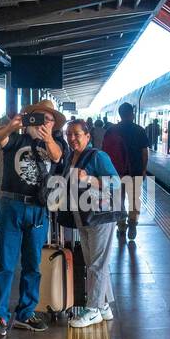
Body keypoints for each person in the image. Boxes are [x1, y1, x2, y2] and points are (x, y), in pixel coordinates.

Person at [0, 100, 65, 336]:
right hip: (12, 206)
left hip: (38, 209)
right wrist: (12, 126)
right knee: (5, 264)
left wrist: (48, 137)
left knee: (33, 265)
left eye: (49, 120)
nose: (44, 123)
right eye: (39, 118)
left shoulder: (56, 142)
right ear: (29, 119)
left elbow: (56, 156)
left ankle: (25, 312)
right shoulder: (16, 140)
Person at [60, 119, 120, 327]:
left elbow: (116, 182)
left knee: (97, 263)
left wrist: (90, 180)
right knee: (93, 262)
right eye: (69, 134)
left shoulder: (98, 156)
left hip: (100, 216)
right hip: (82, 216)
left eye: (77, 134)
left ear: (88, 135)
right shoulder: (71, 157)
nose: (72, 138)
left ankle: (93, 310)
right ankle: (104, 306)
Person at [102, 101, 150, 242]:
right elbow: (144, 153)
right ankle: (133, 223)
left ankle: (121, 226)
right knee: (134, 200)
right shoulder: (139, 130)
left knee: (118, 199)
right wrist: (143, 170)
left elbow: (104, 153)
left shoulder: (111, 130)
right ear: (132, 114)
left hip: (116, 173)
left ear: (120, 114)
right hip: (134, 171)